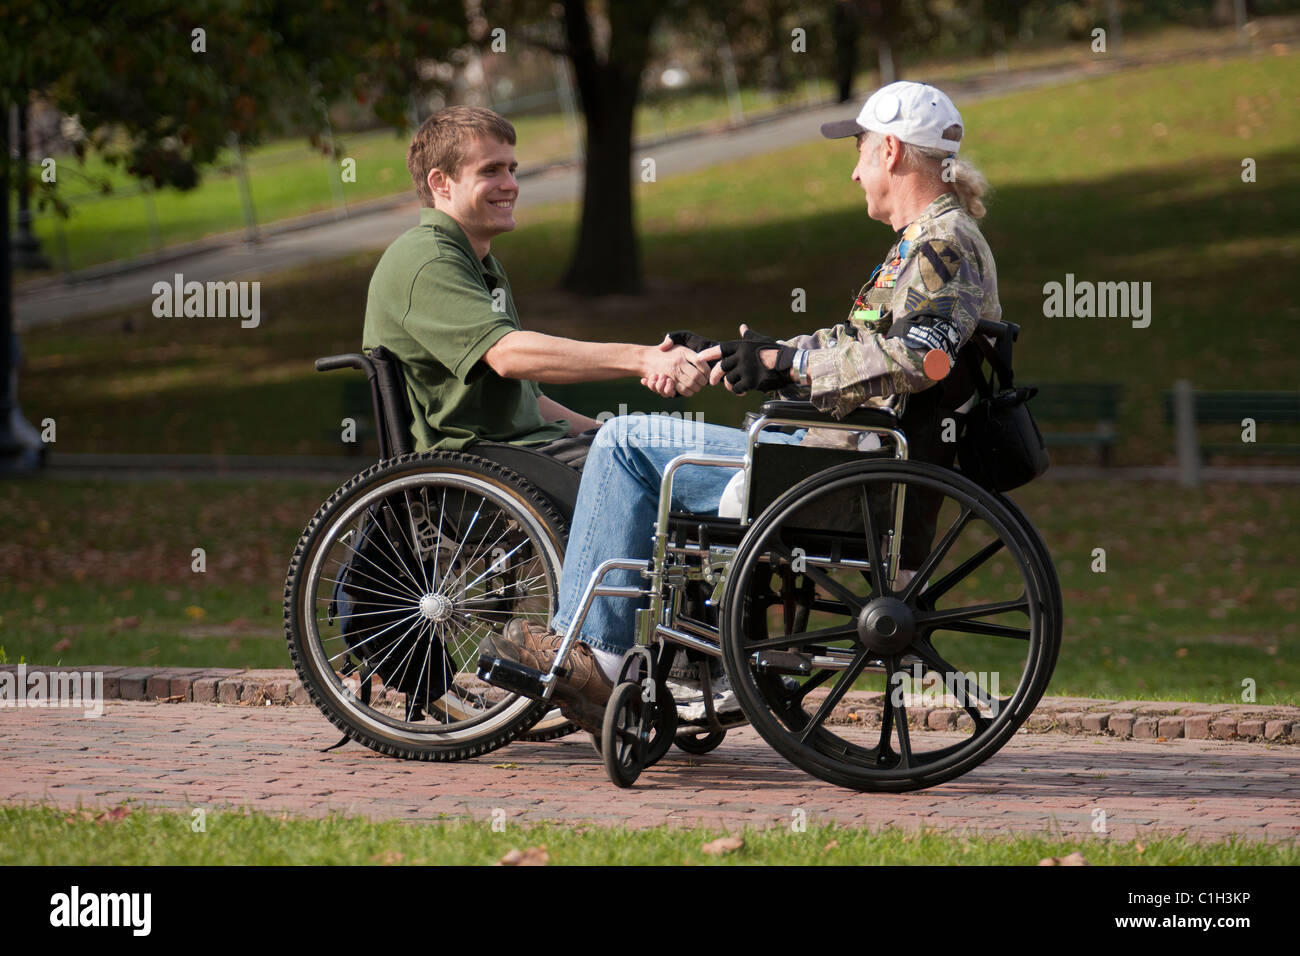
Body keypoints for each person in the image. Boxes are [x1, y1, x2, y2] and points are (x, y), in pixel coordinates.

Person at [479, 81, 1001, 732]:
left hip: (843, 467)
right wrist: (751, 354)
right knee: (634, 445)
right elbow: (868, 346)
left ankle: (600, 659)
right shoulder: (931, 240)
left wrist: (788, 364)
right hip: (842, 456)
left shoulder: (941, 244)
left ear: (892, 151)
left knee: (624, 444)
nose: (854, 168)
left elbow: (921, 360)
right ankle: (658, 657)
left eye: (862, 150)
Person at [362, 106, 709, 464]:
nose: (510, 184)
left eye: (512, 169)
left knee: (667, 446)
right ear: (440, 183)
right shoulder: (428, 259)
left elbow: (530, 403)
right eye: (490, 170)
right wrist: (642, 359)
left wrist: (606, 431)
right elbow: (507, 355)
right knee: (702, 463)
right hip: (481, 467)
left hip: (523, 455)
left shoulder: (476, 261)